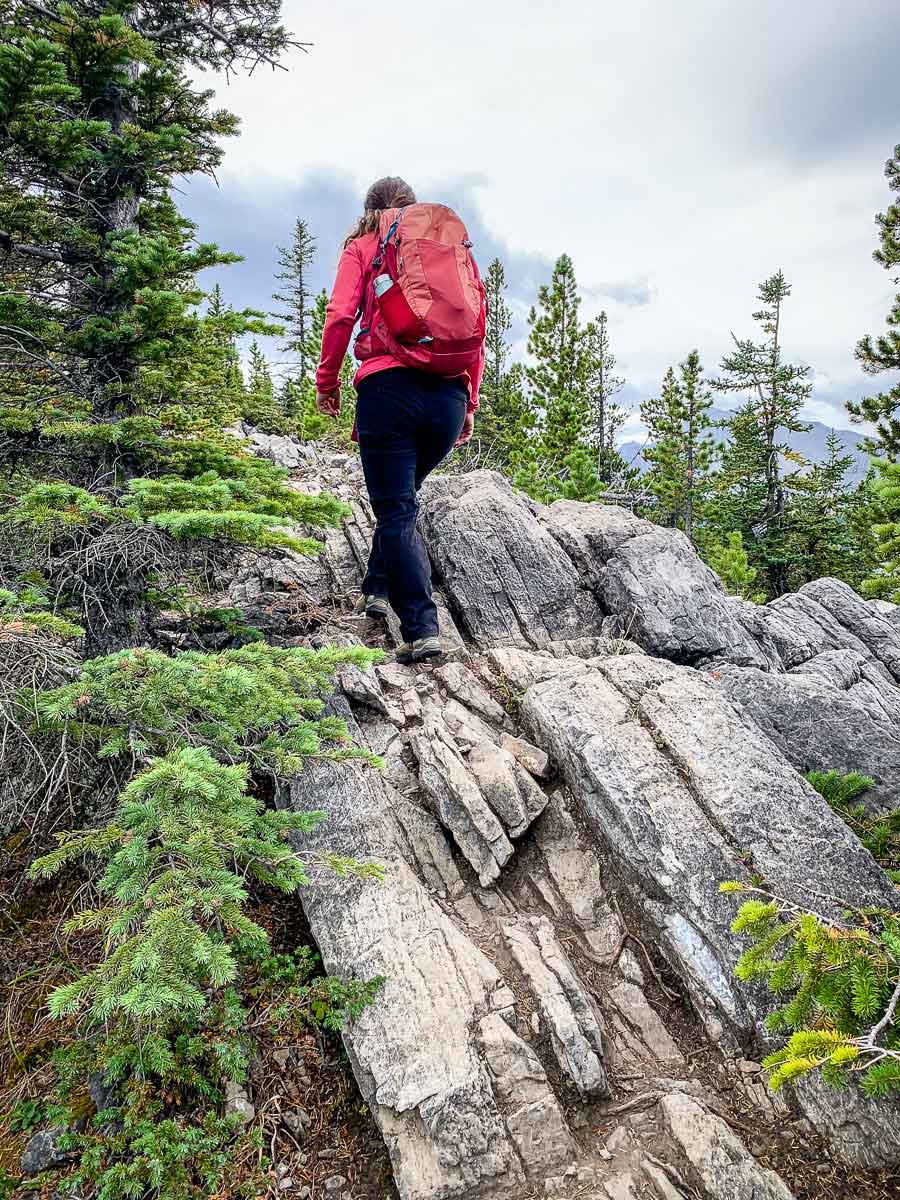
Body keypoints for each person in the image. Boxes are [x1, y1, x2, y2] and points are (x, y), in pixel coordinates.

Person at [315, 176, 485, 663]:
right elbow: (477, 326)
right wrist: (468, 402)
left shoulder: (363, 246)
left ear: (367, 208)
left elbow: (340, 315)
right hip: (447, 398)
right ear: (413, 209)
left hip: (389, 390)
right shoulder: (452, 250)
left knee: (395, 509)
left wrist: (327, 382)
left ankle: (421, 629)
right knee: (401, 498)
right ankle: (376, 587)